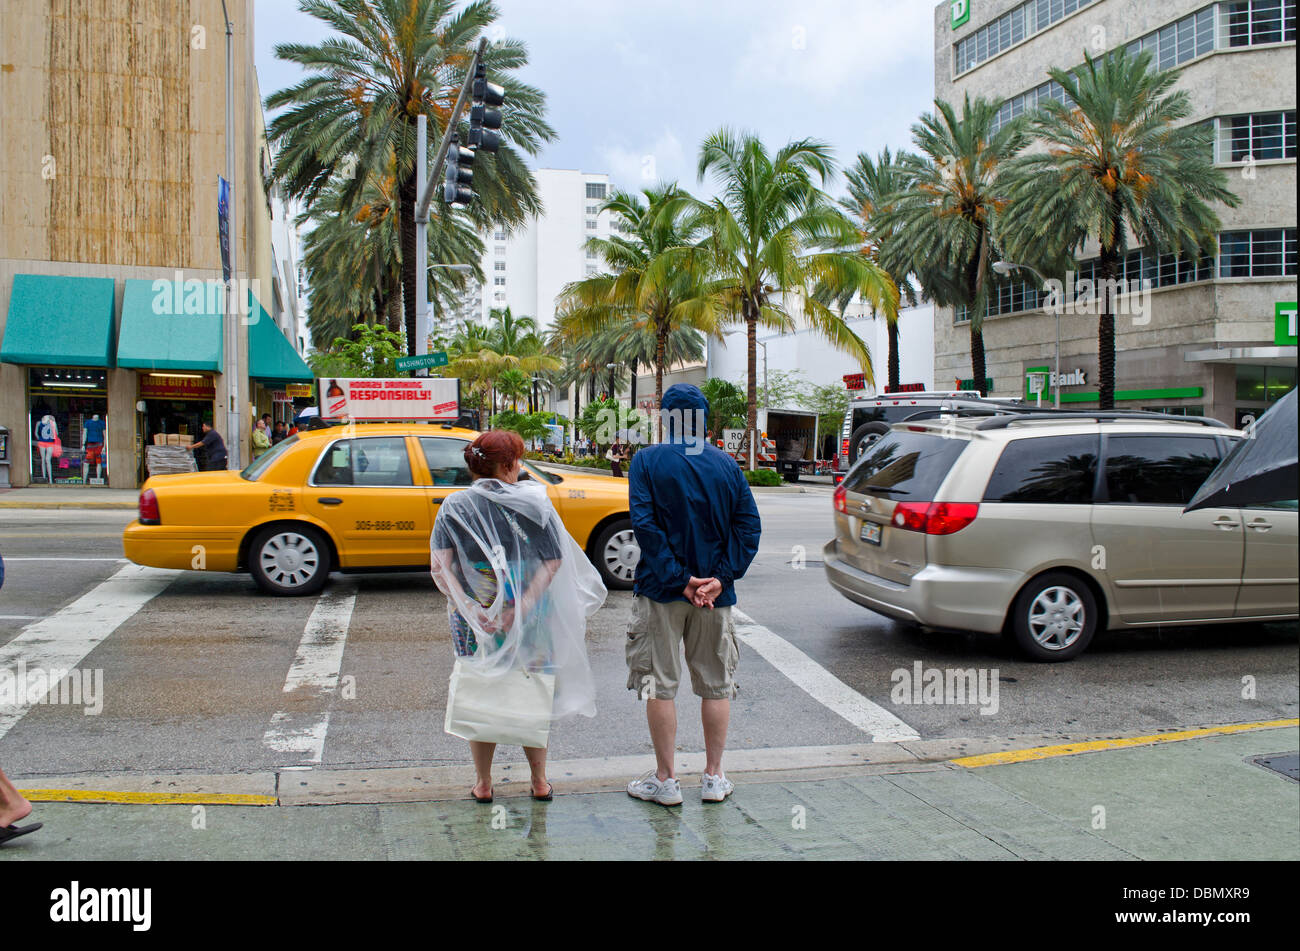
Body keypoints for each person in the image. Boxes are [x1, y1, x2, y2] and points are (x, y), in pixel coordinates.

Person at [430, 430, 606, 804]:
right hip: (531, 615)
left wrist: (475, 609)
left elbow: (440, 568)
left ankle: (483, 783)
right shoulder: (533, 503)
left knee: (482, 691)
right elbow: (554, 562)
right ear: (508, 465)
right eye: (518, 460)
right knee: (532, 690)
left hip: (474, 618)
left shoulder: (454, 506)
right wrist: (519, 609)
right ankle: (540, 781)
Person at [625, 383, 761, 806]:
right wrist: (719, 579)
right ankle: (714, 777)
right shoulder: (726, 465)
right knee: (716, 685)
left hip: (661, 593)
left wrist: (679, 580)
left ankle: (666, 781)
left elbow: (645, 527)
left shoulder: (645, 461)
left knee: (659, 686)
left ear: (665, 419)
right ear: (703, 420)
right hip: (714, 598)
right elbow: (748, 527)